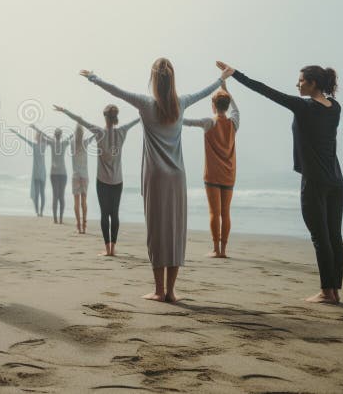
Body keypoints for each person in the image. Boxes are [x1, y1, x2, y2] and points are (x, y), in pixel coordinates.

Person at [80, 59, 231, 302]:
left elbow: (116, 90)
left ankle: (159, 290)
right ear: (172, 80)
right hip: (177, 177)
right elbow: (206, 92)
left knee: (157, 231)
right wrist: (221, 79)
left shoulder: (145, 103)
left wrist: (93, 77)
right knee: (175, 230)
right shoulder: (181, 103)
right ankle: (171, 291)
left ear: (153, 80)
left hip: (155, 178)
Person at [220, 61, 343, 304]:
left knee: (321, 237)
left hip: (315, 181)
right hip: (336, 181)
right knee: (334, 237)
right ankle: (335, 290)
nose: (297, 84)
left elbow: (265, 90)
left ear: (313, 83)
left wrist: (235, 74)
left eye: (301, 81)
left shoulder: (303, 106)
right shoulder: (335, 107)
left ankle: (327, 292)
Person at [54, 104, 139, 252]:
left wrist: (65, 111)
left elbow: (81, 120)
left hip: (102, 181)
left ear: (105, 117)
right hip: (117, 180)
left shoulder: (99, 132)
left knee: (105, 214)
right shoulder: (122, 131)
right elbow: (138, 119)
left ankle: (108, 250)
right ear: (115, 117)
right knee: (115, 213)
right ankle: (113, 247)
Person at [182, 80, 240, 258]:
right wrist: (226, 88)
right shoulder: (233, 123)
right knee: (226, 213)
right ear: (227, 104)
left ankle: (216, 249)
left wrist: (170, 114)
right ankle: (224, 250)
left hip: (213, 175)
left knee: (214, 212)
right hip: (229, 174)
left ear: (213, 105)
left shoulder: (209, 122)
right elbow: (235, 109)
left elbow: (186, 122)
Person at [31, 125, 72, 224]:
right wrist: (75, 132)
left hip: (54, 173)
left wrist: (35, 128)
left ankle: (55, 219)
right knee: (61, 196)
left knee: (55, 196)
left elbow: (44, 135)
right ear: (60, 135)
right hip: (62, 174)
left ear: (55, 135)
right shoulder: (64, 143)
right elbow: (71, 137)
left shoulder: (52, 142)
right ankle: (60, 219)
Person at [9, 128, 47, 216]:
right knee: (40, 193)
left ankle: (39, 212)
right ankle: (39, 212)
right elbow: (25, 139)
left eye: (38, 136)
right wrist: (16, 133)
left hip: (39, 173)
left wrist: (16, 133)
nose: (37, 137)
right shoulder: (42, 145)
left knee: (39, 193)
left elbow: (25, 139)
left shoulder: (40, 145)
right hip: (40, 172)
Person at [68, 123, 95, 233]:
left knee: (76, 202)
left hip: (75, 175)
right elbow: (95, 135)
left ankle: (78, 224)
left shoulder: (71, 142)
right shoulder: (85, 142)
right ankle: (84, 225)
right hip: (84, 175)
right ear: (82, 132)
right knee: (84, 201)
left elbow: (71, 138)